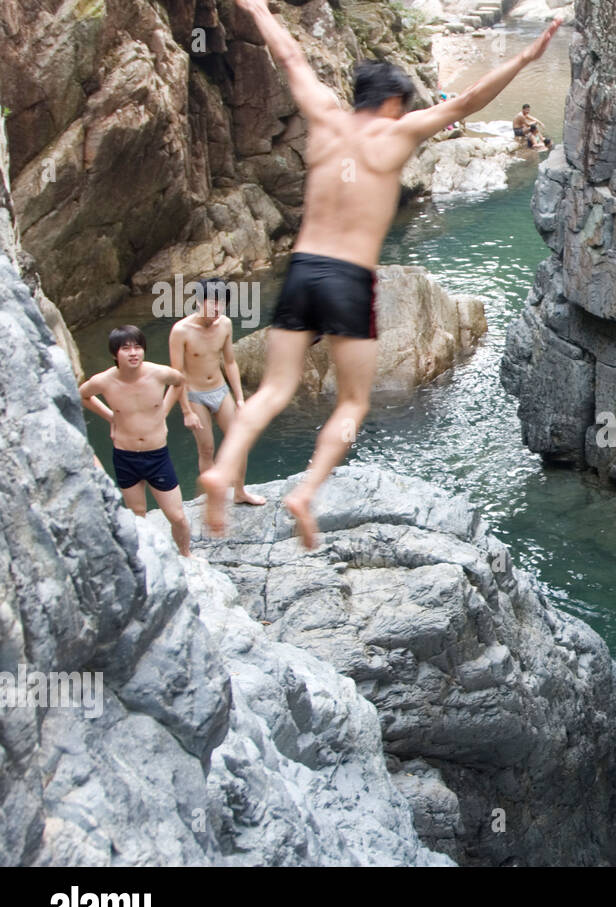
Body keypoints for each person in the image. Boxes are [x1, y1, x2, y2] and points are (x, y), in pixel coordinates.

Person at [201, 1, 561, 548]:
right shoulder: (397, 133)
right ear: (393, 101)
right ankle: (306, 491)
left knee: (274, 388)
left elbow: (289, 54)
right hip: (348, 279)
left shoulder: (323, 114)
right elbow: (468, 101)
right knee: (352, 403)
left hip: (302, 269)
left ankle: (223, 467)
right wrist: (526, 55)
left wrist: (254, 7)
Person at [80, 326, 192, 556]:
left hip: (157, 455)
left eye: (138, 347)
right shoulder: (104, 381)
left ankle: (186, 555)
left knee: (177, 516)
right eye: (126, 348)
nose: (133, 353)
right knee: (138, 515)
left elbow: (180, 381)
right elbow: (82, 395)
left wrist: (164, 410)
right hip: (125, 456)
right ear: (115, 354)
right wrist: (111, 416)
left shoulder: (159, 373)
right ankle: (144, 560)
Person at [169, 279, 266, 506]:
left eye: (221, 304)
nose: (217, 310)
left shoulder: (225, 324)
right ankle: (211, 496)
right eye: (212, 304)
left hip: (220, 391)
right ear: (198, 302)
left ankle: (240, 492)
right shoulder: (181, 331)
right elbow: (177, 374)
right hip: (195, 396)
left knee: (239, 441)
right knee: (207, 448)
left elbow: (230, 362)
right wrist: (186, 411)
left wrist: (240, 398)